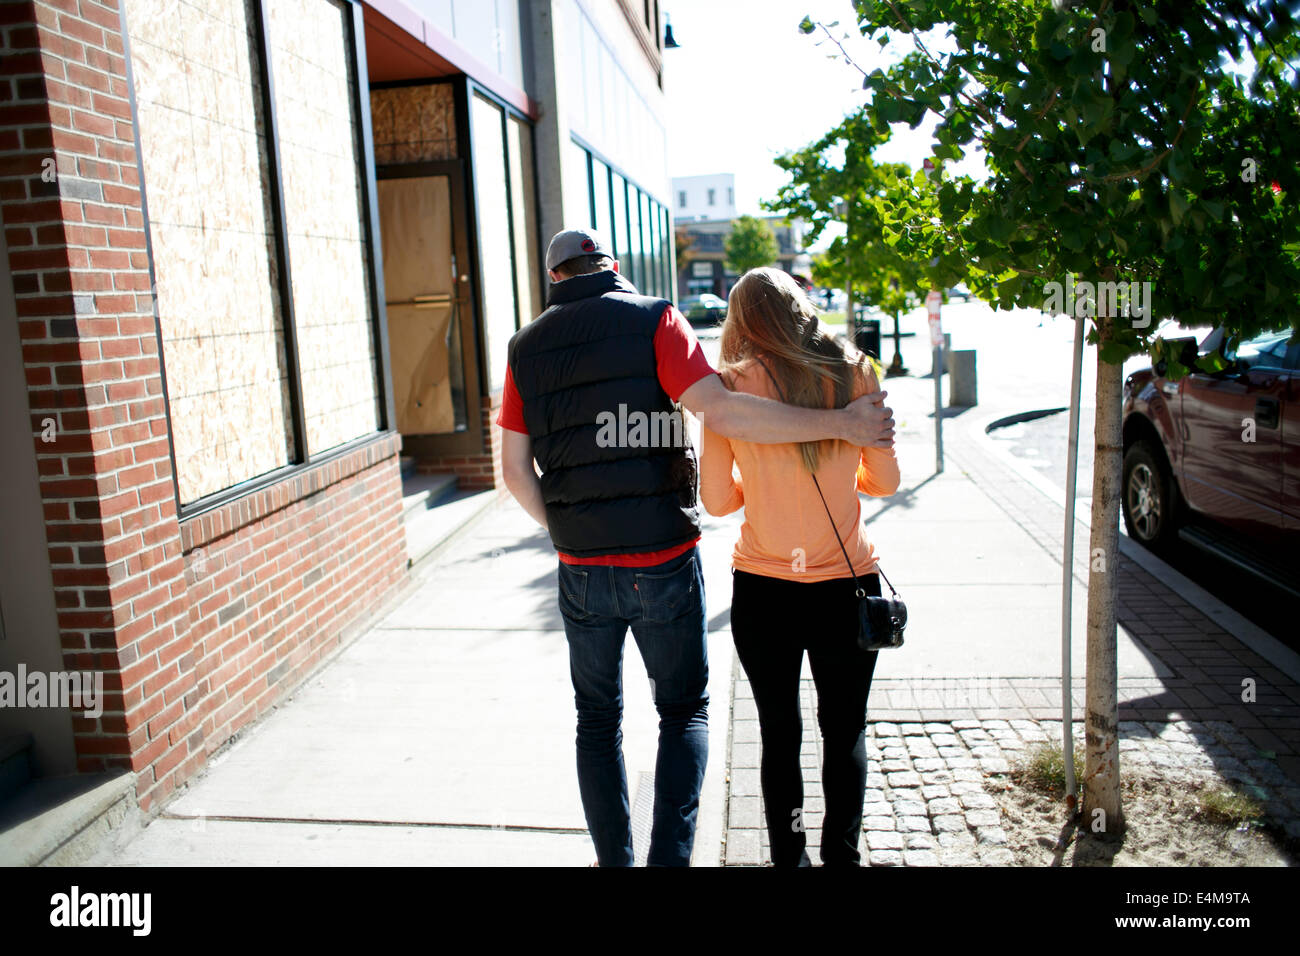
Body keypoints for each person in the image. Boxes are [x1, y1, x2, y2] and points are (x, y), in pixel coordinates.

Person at [498, 229, 895, 867]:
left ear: (554, 278)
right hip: (661, 560)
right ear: (613, 267)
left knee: (597, 722)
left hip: (581, 569)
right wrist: (840, 425)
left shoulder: (524, 347)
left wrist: (566, 530)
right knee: (682, 713)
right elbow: (723, 412)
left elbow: (515, 470)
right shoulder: (657, 319)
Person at [699, 266, 901, 867]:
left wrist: (757, 486)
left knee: (778, 734)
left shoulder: (728, 388)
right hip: (847, 586)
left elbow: (715, 500)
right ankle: (842, 855)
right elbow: (885, 481)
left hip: (765, 590)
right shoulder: (855, 370)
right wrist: (849, 469)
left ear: (741, 321)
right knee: (845, 733)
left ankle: (789, 857)